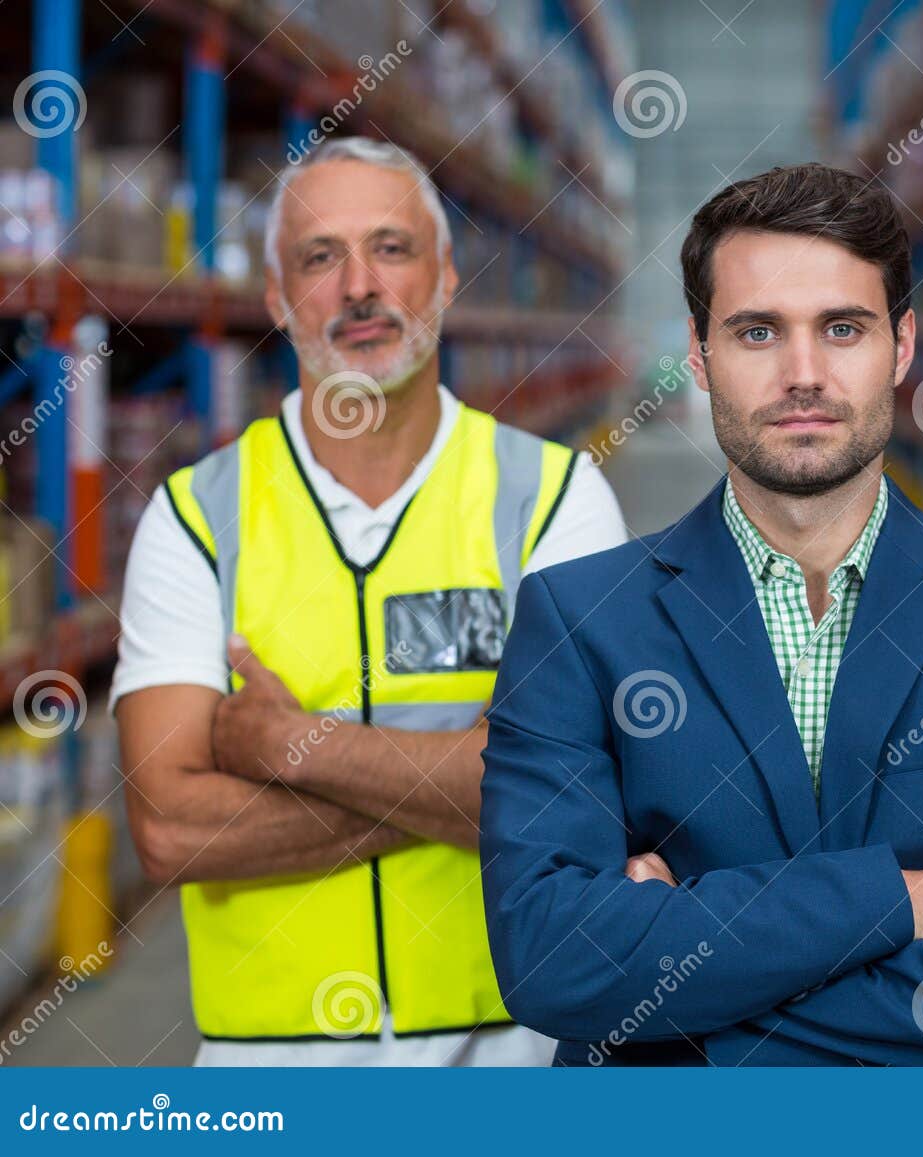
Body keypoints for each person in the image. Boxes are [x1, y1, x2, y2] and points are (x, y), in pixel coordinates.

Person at [478, 162, 923, 1066]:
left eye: (843, 328)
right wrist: (900, 900)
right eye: (757, 332)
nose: (804, 373)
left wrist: (685, 981)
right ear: (699, 357)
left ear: (901, 346)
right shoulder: (581, 622)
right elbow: (553, 960)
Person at [111, 137, 628, 1066]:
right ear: (275, 300)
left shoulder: (553, 498)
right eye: (319, 257)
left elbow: (582, 799)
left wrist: (282, 749)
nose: (359, 286)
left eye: (392, 248)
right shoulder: (196, 519)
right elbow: (168, 828)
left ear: (446, 278)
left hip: (510, 1058)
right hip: (267, 1076)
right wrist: (469, 785)